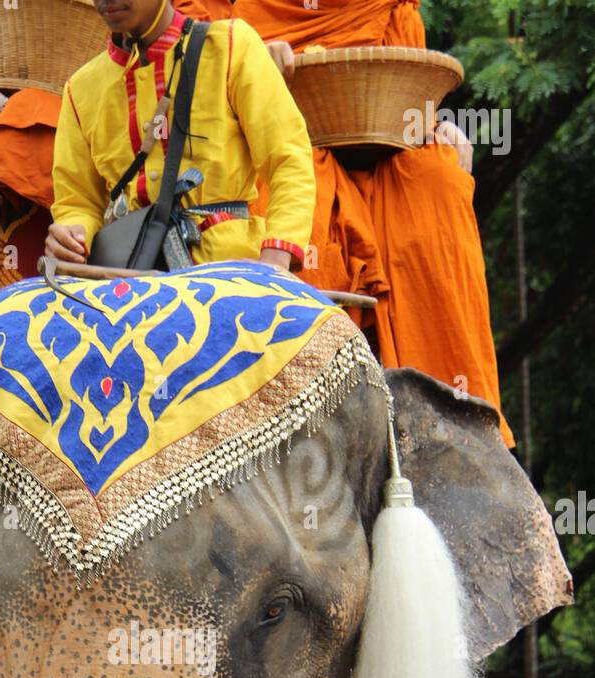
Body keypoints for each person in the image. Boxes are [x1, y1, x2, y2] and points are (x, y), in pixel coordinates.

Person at [208, 0, 514, 445]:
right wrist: (247, 58)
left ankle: (452, 426)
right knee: (293, 195)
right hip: (278, 147)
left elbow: (408, 99)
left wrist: (436, 127)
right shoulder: (231, 13)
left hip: (385, 153)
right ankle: (294, 421)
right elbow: (193, 74)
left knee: (440, 180)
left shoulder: (390, 10)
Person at [45, 0, 315, 270]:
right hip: (126, 277)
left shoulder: (231, 46)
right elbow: (78, 202)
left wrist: (274, 260)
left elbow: (288, 161)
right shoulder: (80, 89)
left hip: (231, 271)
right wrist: (71, 236)